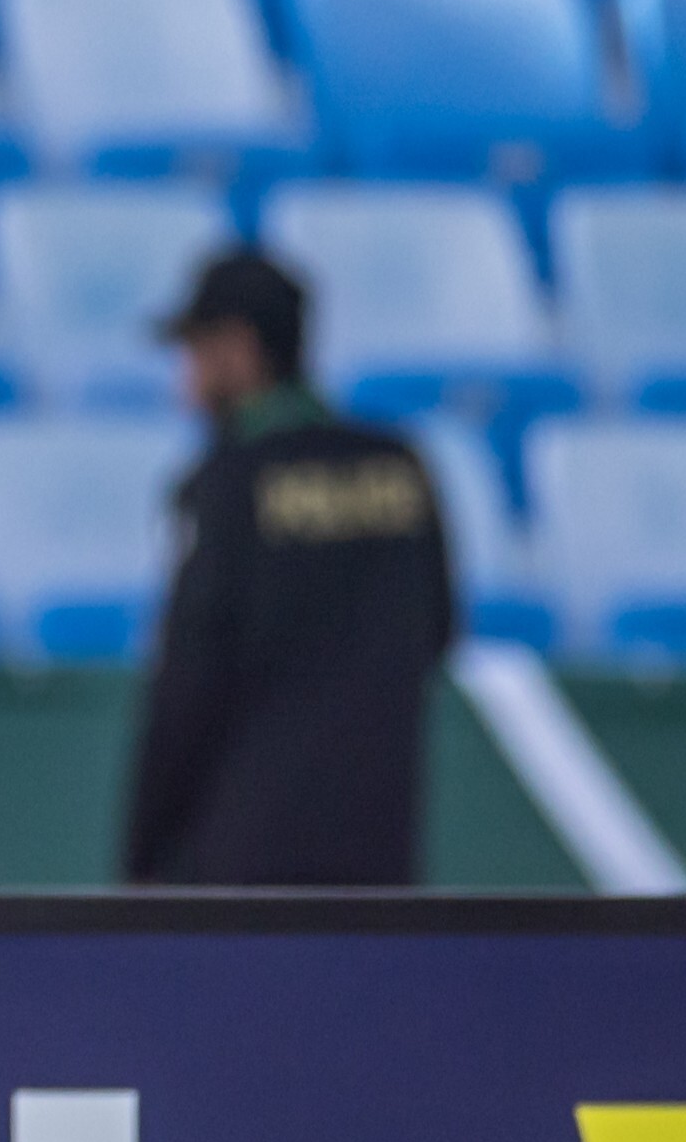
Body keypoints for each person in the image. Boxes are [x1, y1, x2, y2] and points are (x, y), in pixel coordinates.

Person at [123, 248, 455, 887]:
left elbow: (188, 686)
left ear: (238, 350)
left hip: (240, 875)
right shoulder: (401, 467)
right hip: (380, 862)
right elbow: (439, 632)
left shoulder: (228, 485)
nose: (185, 385)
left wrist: (142, 863)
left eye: (194, 354)